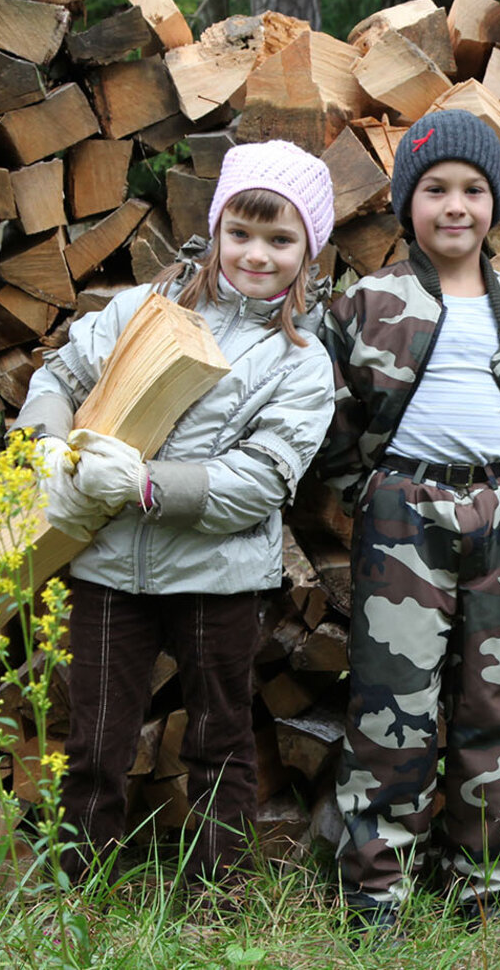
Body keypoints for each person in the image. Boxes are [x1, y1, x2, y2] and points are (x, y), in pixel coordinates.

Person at [17, 141, 338, 887]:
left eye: (280, 238)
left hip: (216, 579)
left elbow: (259, 480)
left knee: (220, 739)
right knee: (95, 739)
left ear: (309, 250)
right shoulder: (141, 310)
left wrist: (142, 483)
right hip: (106, 570)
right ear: (216, 228)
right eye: (241, 232)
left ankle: (216, 897)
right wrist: (45, 444)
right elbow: (59, 374)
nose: (256, 254)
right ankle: (74, 892)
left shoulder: (300, 363)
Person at [316, 109, 500, 937]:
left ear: (498, 204)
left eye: (473, 190)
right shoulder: (369, 302)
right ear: (406, 204)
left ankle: (485, 880)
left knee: (498, 702)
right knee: (395, 703)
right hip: (403, 516)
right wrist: (370, 491)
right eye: (435, 190)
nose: (455, 206)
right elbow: (329, 412)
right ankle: (377, 888)